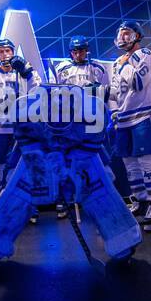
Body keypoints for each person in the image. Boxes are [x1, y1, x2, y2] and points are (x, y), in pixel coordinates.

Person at [109, 20, 151, 230]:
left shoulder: (146, 55)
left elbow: (138, 83)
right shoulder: (116, 63)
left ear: (137, 36)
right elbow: (116, 92)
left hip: (143, 116)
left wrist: (126, 63)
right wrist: (111, 107)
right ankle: (141, 202)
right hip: (123, 119)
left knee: (148, 162)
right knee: (130, 165)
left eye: (128, 33)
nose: (123, 37)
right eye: (121, 33)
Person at [52, 36, 111, 217]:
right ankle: (65, 199)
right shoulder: (61, 68)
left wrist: (98, 91)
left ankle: (99, 197)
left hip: (91, 121)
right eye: (75, 51)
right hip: (70, 121)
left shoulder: (98, 68)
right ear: (70, 52)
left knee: (96, 159)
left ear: (87, 50)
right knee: (66, 160)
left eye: (82, 50)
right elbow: (54, 93)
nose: (78, 54)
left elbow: (107, 93)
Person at [0, 37, 42, 206]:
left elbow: (38, 95)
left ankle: (27, 205)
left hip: (22, 127)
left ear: (14, 52)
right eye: (1, 51)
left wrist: (26, 73)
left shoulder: (27, 72)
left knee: (23, 168)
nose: (5, 54)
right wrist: (3, 103)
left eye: (8, 50)